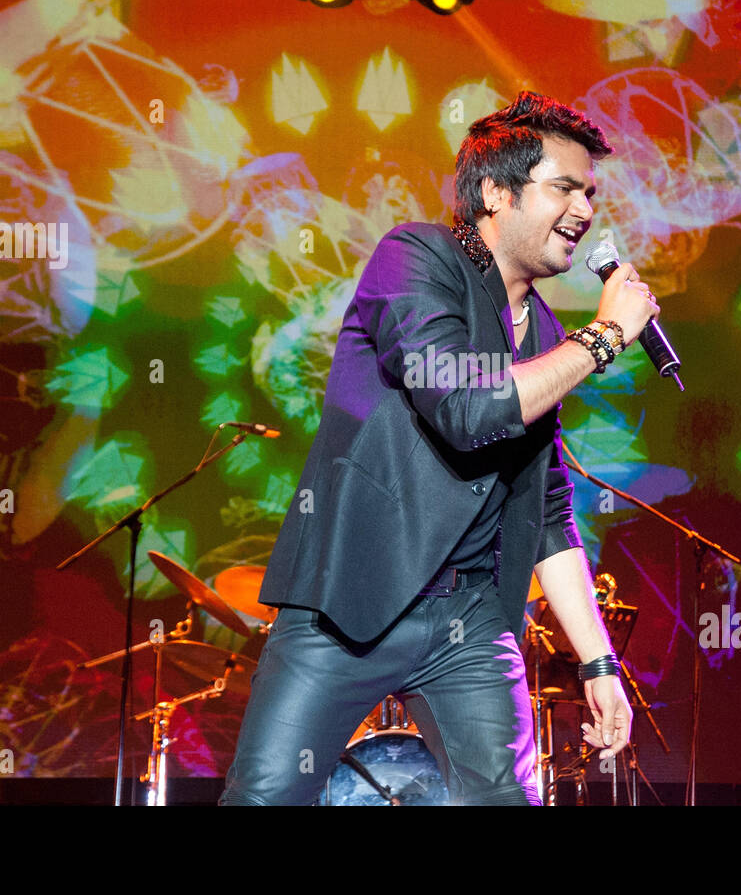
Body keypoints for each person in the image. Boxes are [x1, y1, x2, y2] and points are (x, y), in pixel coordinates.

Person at [219, 91, 659, 805]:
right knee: (266, 796)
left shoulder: (547, 334)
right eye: (564, 188)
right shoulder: (416, 257)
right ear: (494, 192)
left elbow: (548, 513)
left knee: (506, 799)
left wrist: (599, 664)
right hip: (349, 607)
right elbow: (460, 406)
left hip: (470, 622)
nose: (583, 210)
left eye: (590, 193)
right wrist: (604, 337)